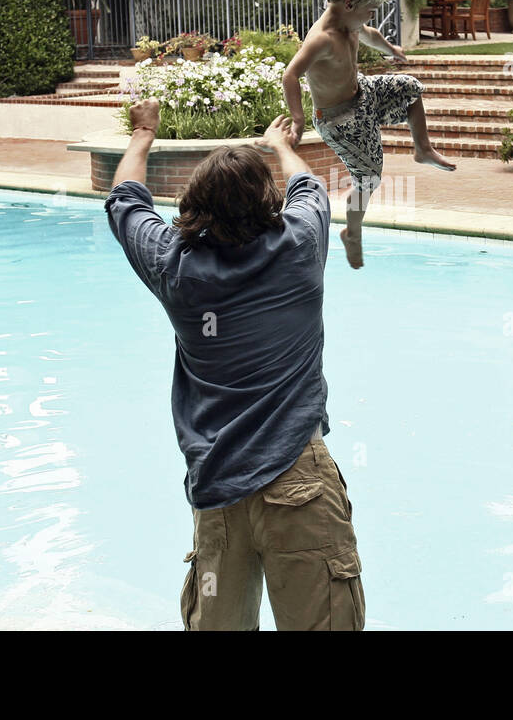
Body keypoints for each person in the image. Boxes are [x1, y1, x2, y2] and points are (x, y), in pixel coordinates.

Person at [103, 98, 365, 631]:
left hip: (217, 488)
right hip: (299, 481)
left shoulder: (173, 268)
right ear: (266, 203)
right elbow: (308, 188)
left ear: (195, 206)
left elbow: (125, 200)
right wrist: (280, 147)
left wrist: (144, 133)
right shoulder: (299, 245)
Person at [281, 0, 455, 269]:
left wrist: (391, 48)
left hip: (363, 93)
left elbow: (370, 34)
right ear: (349, 3)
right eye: (371, 10)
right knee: (369, 178)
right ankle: (354, 233)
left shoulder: (351, 21)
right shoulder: (321, 39)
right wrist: (297, 120)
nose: (372, 17)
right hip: (338, 119)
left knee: (410, 89)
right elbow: (290, 74)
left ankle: (423, 149)